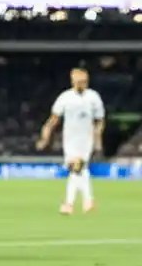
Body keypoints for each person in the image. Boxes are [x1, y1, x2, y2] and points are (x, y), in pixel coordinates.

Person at [37, 68, 105, 215]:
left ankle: (69, 204)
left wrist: (97, 137)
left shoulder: (93, 97)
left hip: (86, 138)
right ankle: (88, 200)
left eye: (84, 82)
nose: (82, 84)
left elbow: (99, 120)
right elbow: (54, 119)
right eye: (79, 82)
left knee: (77, 166)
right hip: (70, 139)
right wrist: (45, 135)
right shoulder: (65, 97)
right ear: (73, 81)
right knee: (80, 170)